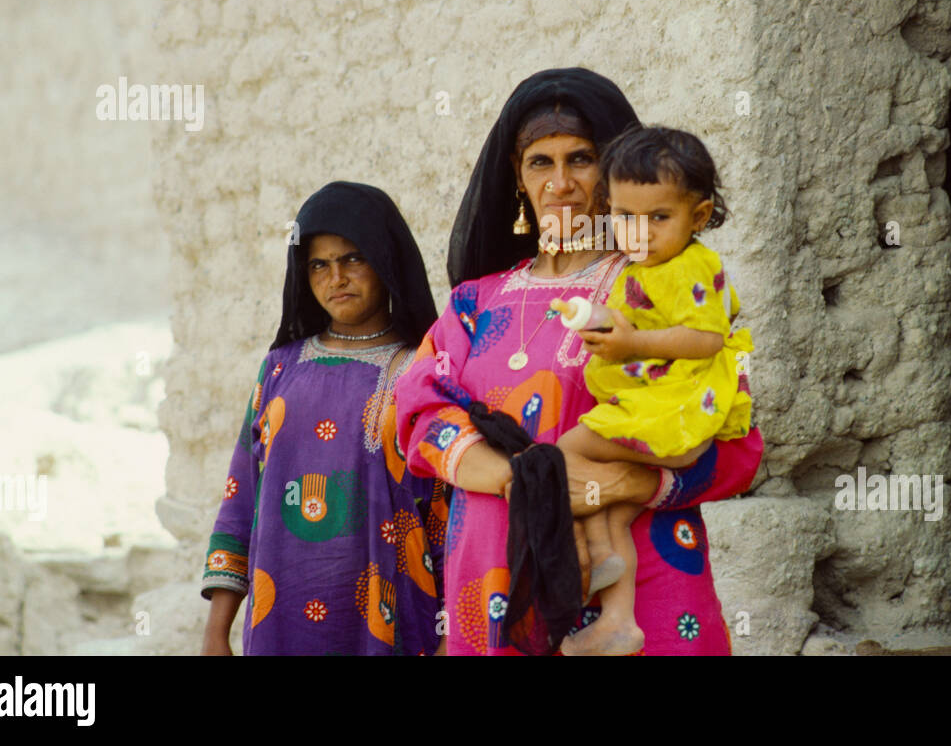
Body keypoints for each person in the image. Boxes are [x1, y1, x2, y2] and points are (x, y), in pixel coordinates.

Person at [395, 68, 764, 655]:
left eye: (581, 159)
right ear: (517, 177)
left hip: (644, 583)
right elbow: (417, 410)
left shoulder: (658, 291)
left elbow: (739, 444)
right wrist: (521, 482)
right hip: (497, 580)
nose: (561, 182)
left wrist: (628, 481)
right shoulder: (473, 303)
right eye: (541, 162)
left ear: (613, 175)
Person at [200, 182, 446, 655]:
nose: (336, 277)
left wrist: (450, 633)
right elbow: (240, 499)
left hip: (389, 622)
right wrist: (216, 631)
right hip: (281, 625)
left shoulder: (422, 369)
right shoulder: (278, 370)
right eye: (319, 264)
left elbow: (445, 512)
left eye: (352, 259)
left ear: (386, 259)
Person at [555, 126, 755, 655]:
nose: (638, 233)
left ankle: (593, 553)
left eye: (658, 218)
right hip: (663, 409)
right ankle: (617, 618)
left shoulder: (693, 264)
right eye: (624, 218)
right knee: (614, 505)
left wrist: (631, 343)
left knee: (565, 453)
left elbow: (707, 336)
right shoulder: (643, 268)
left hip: (680, 412)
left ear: (701, 216)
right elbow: (631, 322)